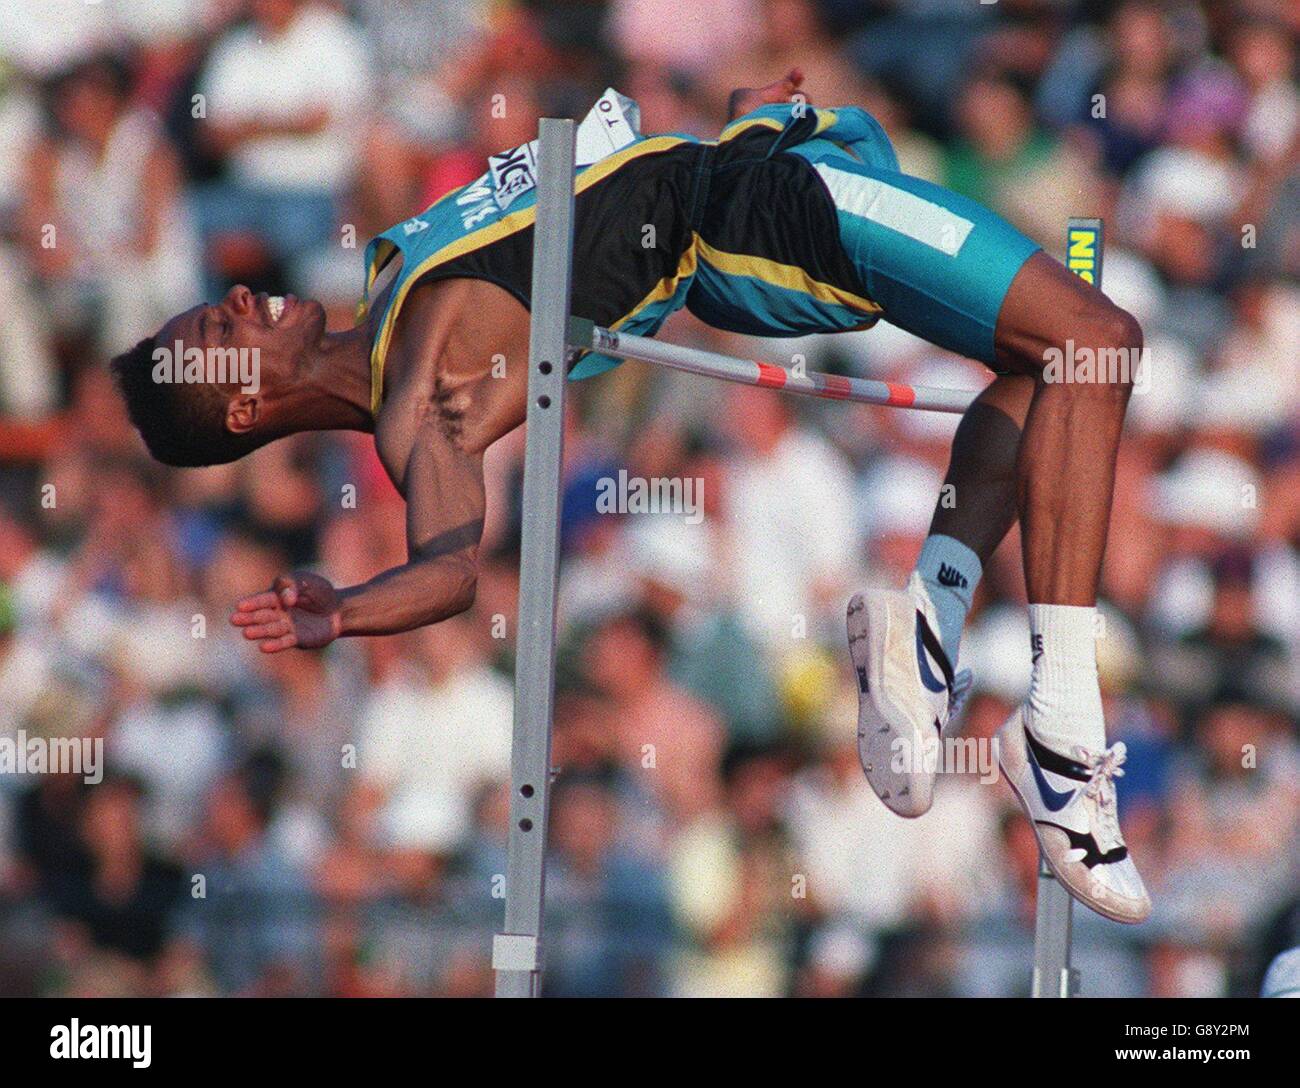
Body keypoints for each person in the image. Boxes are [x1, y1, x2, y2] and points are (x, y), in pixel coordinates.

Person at [111, 71, 1149, 924]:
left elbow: (599, 186)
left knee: (1049, 371)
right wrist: (344, 609)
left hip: (739, 180)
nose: (235, 301)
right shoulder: (421, 394)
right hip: (745, 220)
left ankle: (928, 617)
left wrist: (740, 129)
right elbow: (452, 566)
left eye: (213, 307)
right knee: (1094, 344)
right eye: (218, 336)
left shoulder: (391, 283)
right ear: (244, 407)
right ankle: (1057, 726)